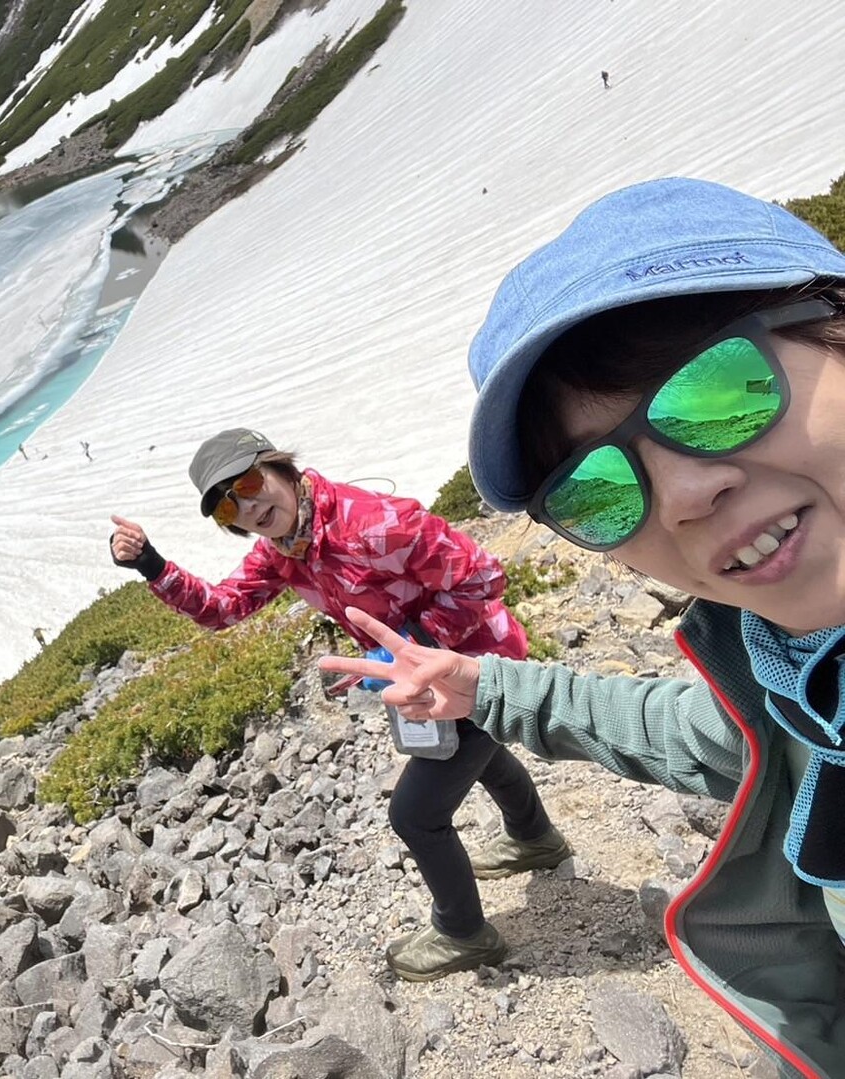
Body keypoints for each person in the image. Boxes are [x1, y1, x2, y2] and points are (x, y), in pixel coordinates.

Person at [321, 178, 845, 1078]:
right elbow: (725, 739)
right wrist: (482, 685)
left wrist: (474, 637)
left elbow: (475, 572)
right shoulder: (792, 671)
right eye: (597, 492)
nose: (683, 495)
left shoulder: (371, 517)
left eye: (717, 390)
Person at [110, 428, 571, 980]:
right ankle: (535, 839)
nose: (250, 505)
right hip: (426, 678)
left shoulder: (373, 524)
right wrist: (152, 565)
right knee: (484, 755)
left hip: (475, 664)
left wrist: (411, 645)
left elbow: (482, 577)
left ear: (280, 468)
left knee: (416, 815)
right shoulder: (286, 551)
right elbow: (223, 608)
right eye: (228, 505)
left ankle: (465, 934)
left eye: (251, 483)